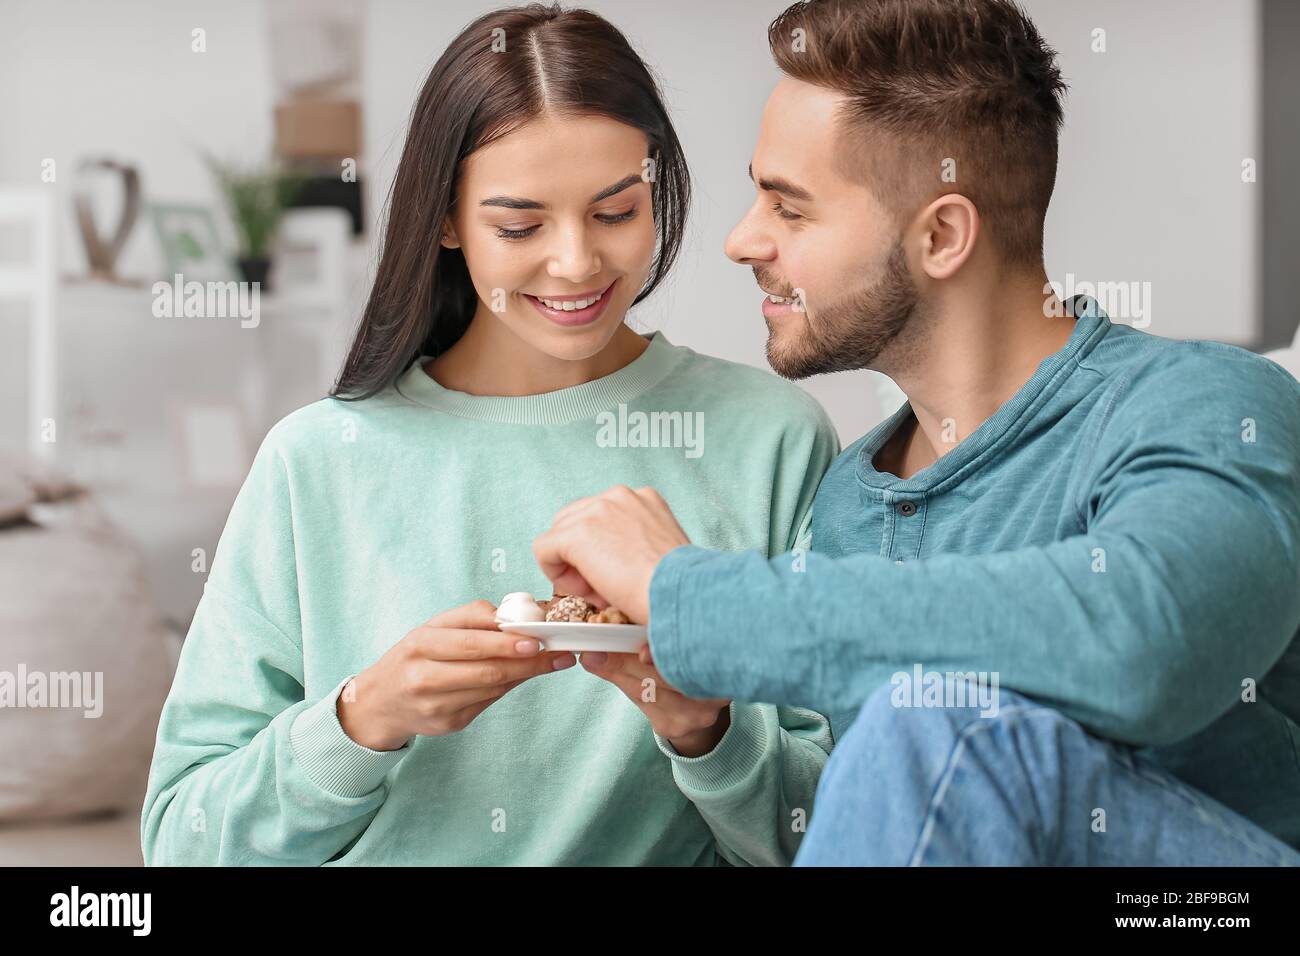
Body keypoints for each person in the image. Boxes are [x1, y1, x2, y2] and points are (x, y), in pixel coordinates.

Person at [531, 0, 1300, 865]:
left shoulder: (1204, 404)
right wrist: (703, 727)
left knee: (932, 724)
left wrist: (687, 597)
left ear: (940, 235)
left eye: (789, 209)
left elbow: (1146, 643)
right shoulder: (851, 500)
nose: (742, 241)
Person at [141, 4, 839, 867]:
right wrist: (365, 718)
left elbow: (842, 835)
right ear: (444, 221)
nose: (578, 263)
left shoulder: (771, 441)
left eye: (616, 212)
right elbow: (182, 840)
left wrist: (706, 727)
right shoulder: (315, 462)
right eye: (518, 226)